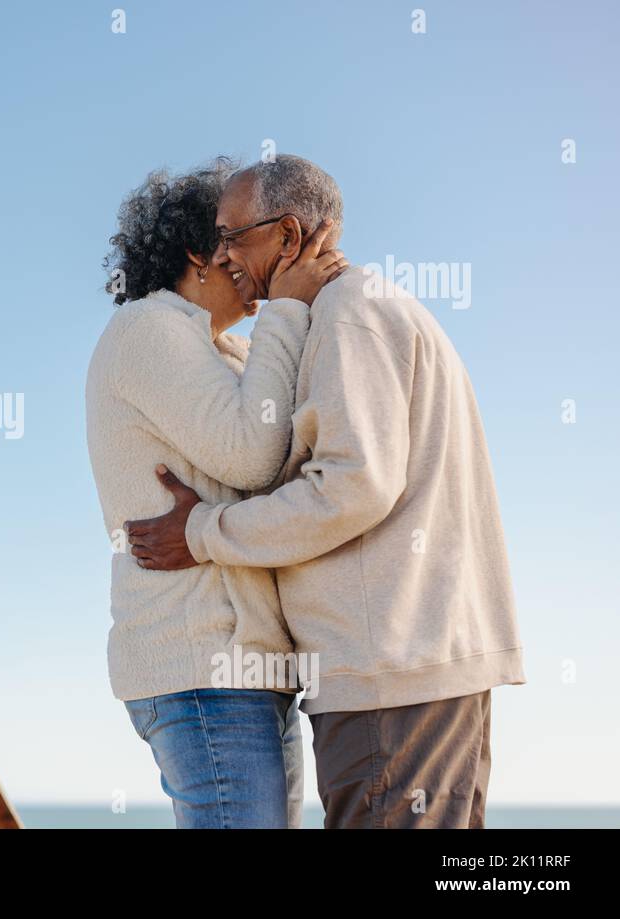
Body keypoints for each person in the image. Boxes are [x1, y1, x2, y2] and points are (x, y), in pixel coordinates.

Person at [125, 154, 526, 828]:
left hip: (389, 673)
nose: (222, 256)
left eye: (232, 236)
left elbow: (350, 487)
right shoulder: (364, 309)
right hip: (409, 668)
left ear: (287, 236)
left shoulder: (347, 315)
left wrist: (202, 534)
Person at [85, 160, 346, 828]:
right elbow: (254, 455)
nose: (245, 260)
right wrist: (288, 307)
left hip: (244, 674)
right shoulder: (149, 329)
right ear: (200, 251)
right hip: (204, 670)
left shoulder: (216, 351)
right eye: (228, 241)